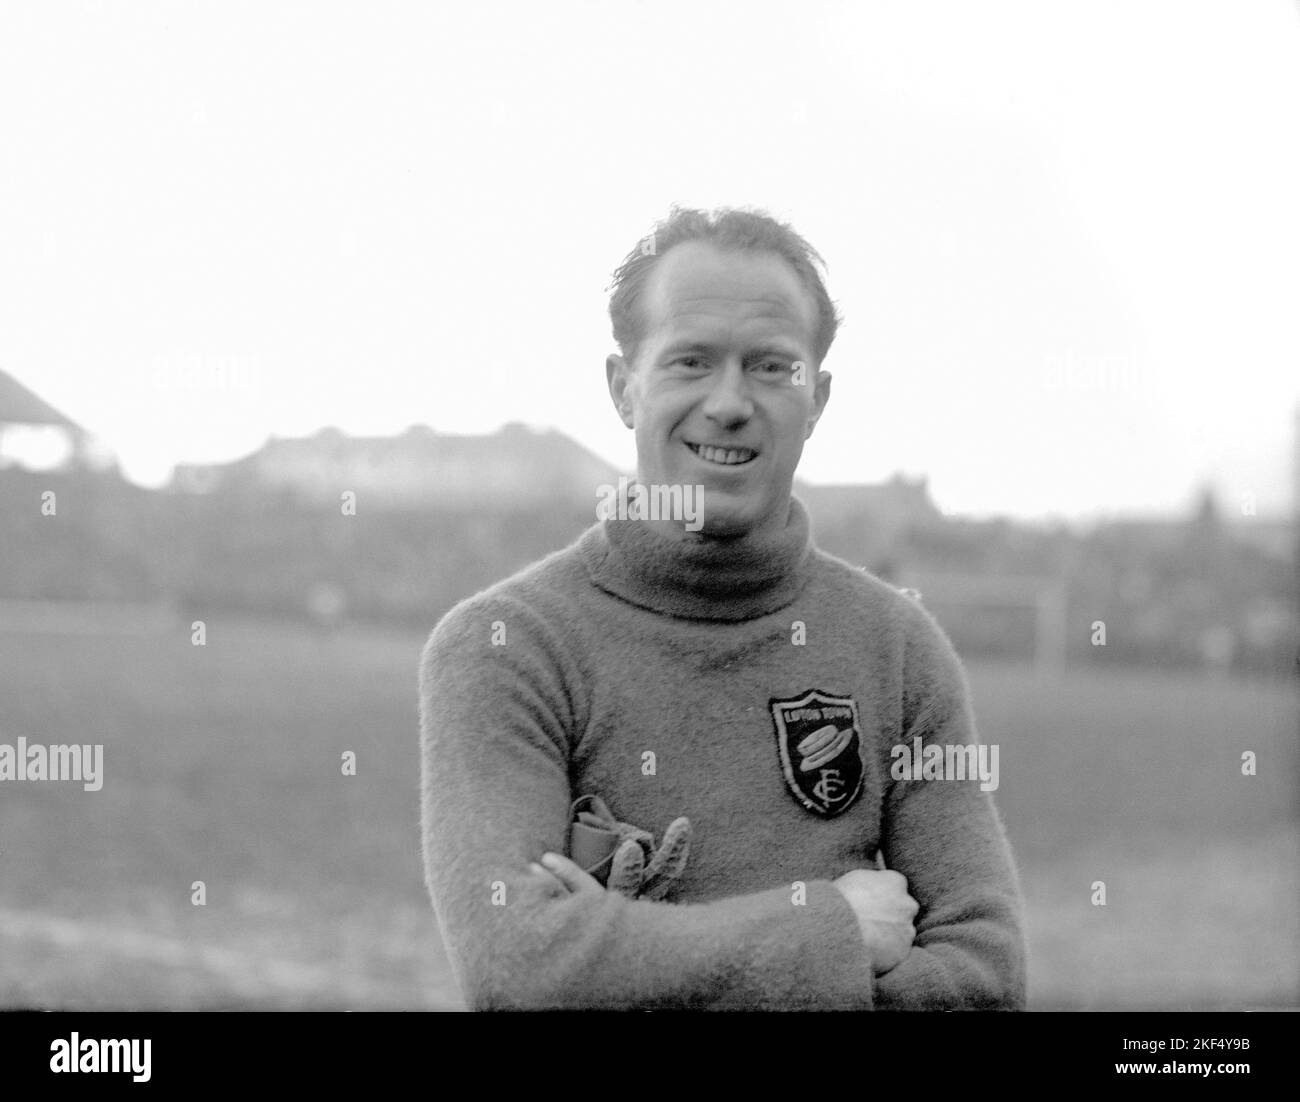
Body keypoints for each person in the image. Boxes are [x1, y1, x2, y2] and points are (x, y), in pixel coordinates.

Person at [419, 206, 1027, 1010]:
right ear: (622, 388)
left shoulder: (899, 648)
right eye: (691, 361)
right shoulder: (503, 648)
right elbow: (519, 966)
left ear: (819, 398)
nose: (730, 402)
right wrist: (833, 935)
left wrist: (627, 951)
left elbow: (987, 976)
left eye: (772, 366)